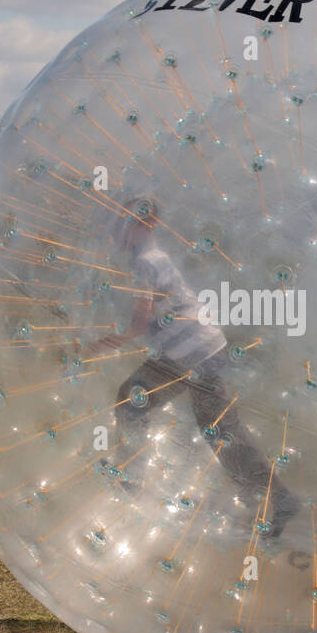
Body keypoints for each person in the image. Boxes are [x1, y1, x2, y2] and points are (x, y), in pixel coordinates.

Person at [85, 197, 300, 537]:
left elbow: (140, 321)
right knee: (216, 429)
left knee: (140, 402)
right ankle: (270, 496)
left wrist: (108, 341)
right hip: (193, 351)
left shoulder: (145, 262)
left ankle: (132, 477)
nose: (118, 230)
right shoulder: (151, 259)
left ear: (146, 226)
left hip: (192, 354)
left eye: (126, 223)